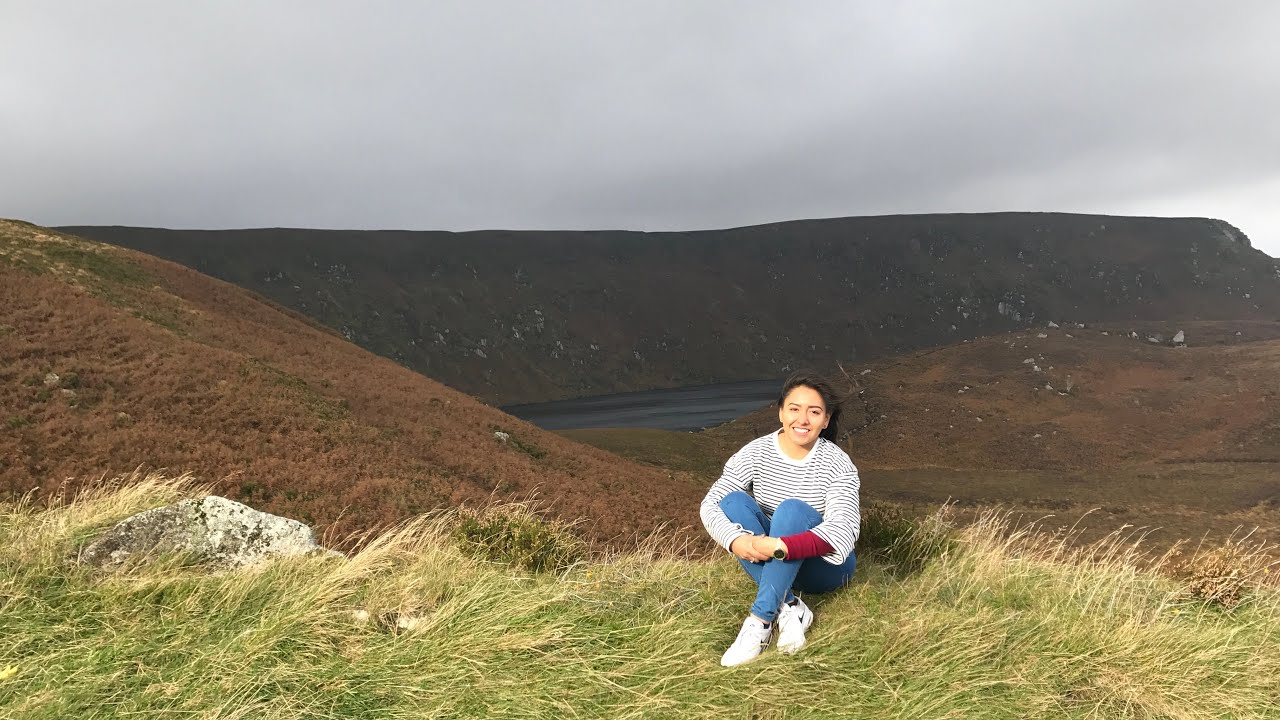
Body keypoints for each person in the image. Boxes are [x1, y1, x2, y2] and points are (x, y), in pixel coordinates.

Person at [700, 369, 860, 666]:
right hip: (777, 559)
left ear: (826, 420)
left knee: (792, 510)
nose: (803, 420)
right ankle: (790, 607)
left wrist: (779, 547)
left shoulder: (838, 463)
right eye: (794, 409)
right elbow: (710, 503)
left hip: (825, 567)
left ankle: (760, 620)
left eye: (814, 412)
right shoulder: (756, 452)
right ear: (781, 413)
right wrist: (736, 541)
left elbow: (844, 530)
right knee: (732, 501)